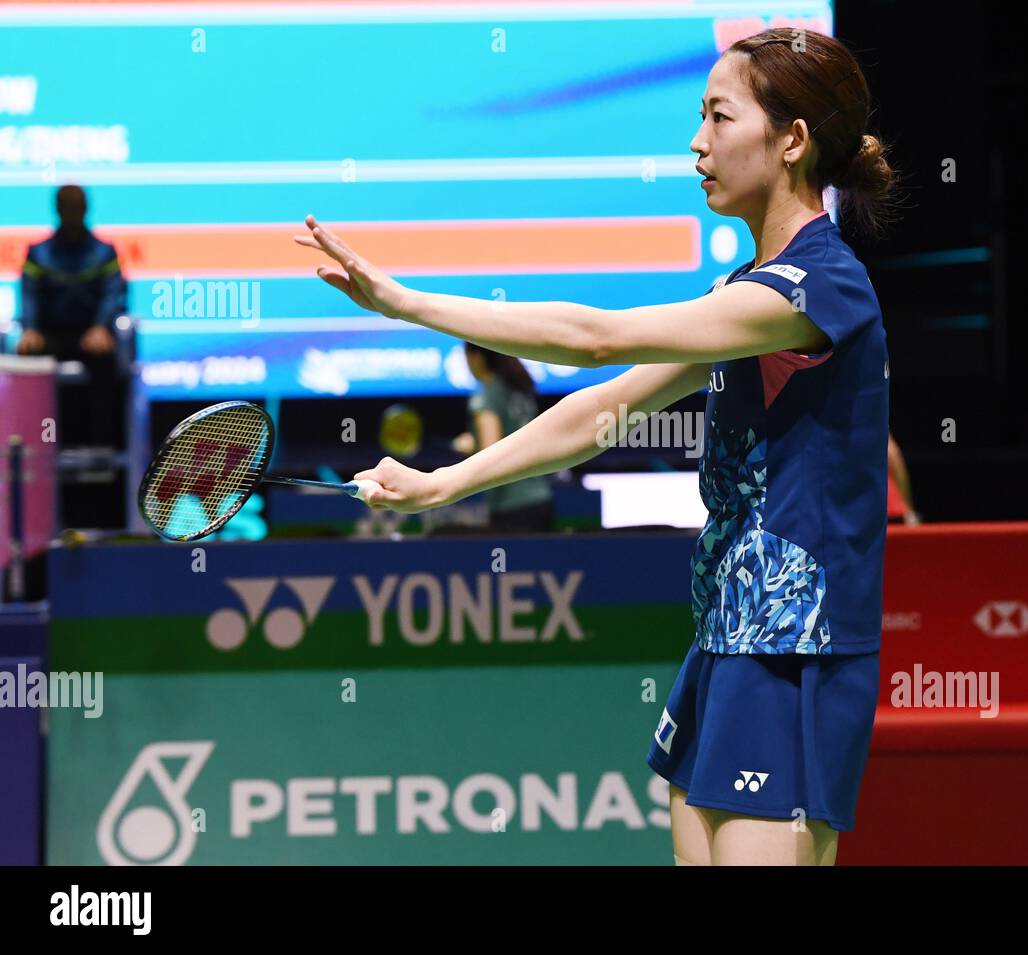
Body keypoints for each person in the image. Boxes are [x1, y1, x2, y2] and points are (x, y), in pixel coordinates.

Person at [295, 26, 898, 865]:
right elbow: (599, 410)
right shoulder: (742, 295)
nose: (697, 142)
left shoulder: (819, 286)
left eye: (720, 118)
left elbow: (598, 340)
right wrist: (444, 483)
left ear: (792, 140)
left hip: (794, 650)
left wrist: (406, 303)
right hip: (725, 639)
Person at [16, 184, 128, 447]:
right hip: (50, 336)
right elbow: (30, 295)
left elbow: (113, 294)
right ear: (57, 209)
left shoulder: (105, 252)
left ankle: (102, 445)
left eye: (76, 206)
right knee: (28, 359)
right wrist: (30, 328)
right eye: (66, 207)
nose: (71, 212)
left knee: (107, 362)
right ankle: (40, 441)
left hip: (90, 335)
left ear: (85, 208)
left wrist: (101, 327)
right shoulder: (38, 253)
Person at [452, 342, 554, 531]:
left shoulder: (486, 394)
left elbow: (491, 452)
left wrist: (473, 447)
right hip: (541, 497)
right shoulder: (518, 387)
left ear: (476, 358)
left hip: (512, 504)